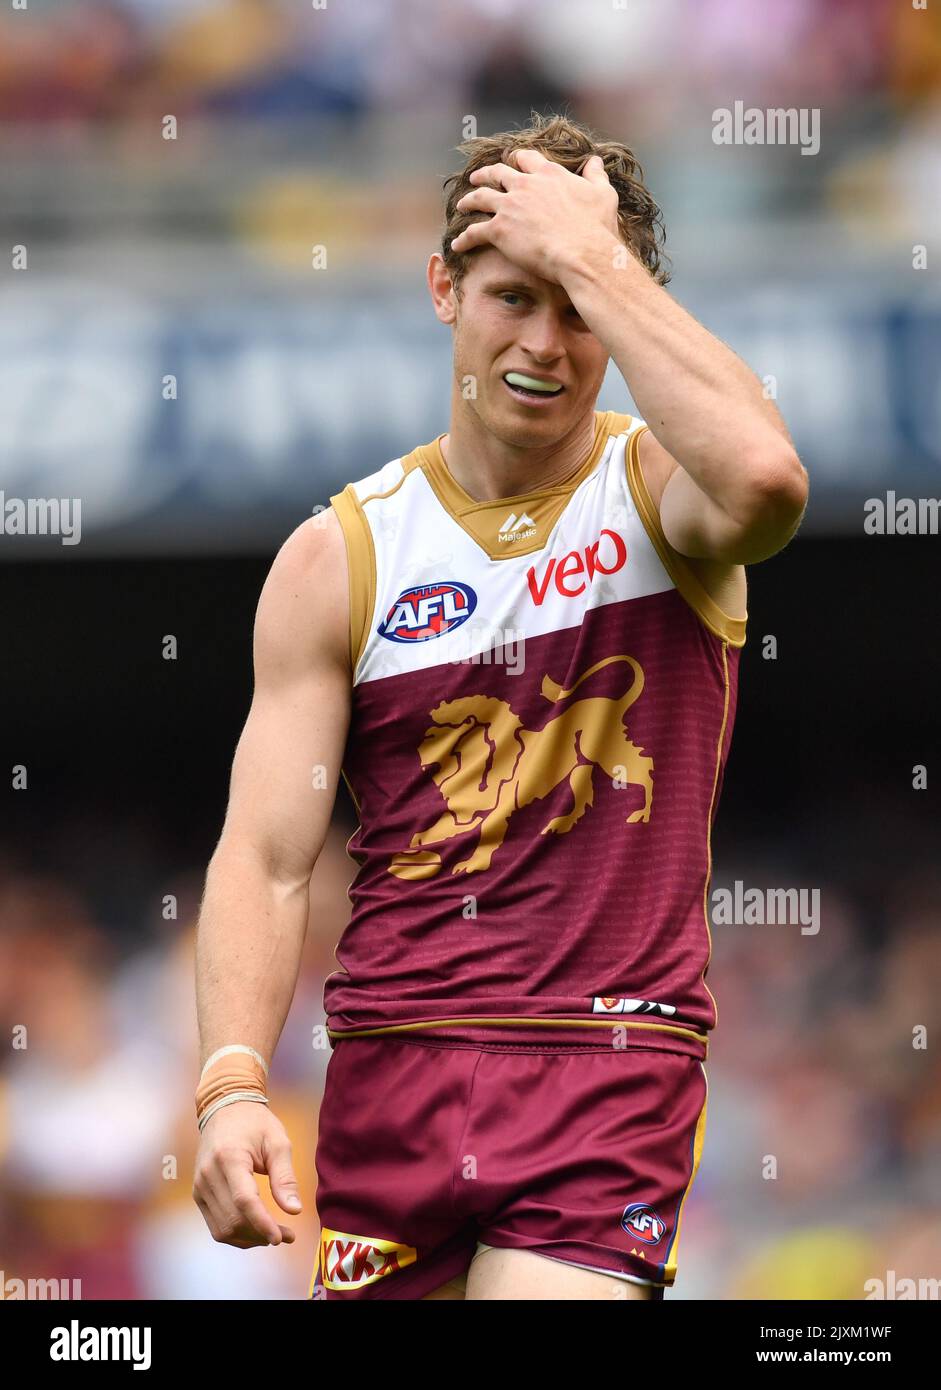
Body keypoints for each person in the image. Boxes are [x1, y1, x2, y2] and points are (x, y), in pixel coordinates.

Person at [193, 114, 807, 1300]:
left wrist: (595, 257)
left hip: (603, 1065)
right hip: (390, 1074)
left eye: (576, 307)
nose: (544, 342)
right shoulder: (341, 557)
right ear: (442, 288)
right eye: (510, 297)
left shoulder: (662, 495)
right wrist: (230, 1084)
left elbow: (767, 480)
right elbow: (266, 859)